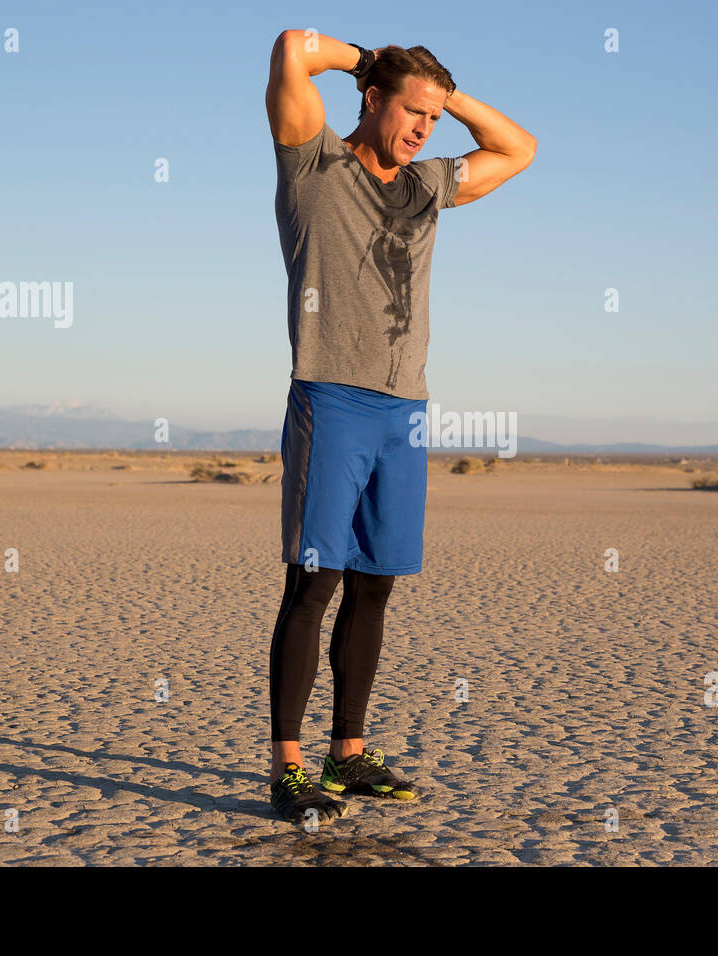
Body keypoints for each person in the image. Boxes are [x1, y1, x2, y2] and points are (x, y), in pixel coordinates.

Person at [263, 30, 537, 826]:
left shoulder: (426, 184)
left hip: (404, 411)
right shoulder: (312, 164)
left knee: (376, 585)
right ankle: (287, 769)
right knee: (313, 583)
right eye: (412, 110)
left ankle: (348, 756)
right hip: (332, 398)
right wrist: (362, 60)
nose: (425, 127)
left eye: (436, 117)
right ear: (374, 99)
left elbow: (516, 148)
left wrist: (448, 98)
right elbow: (289, 49)